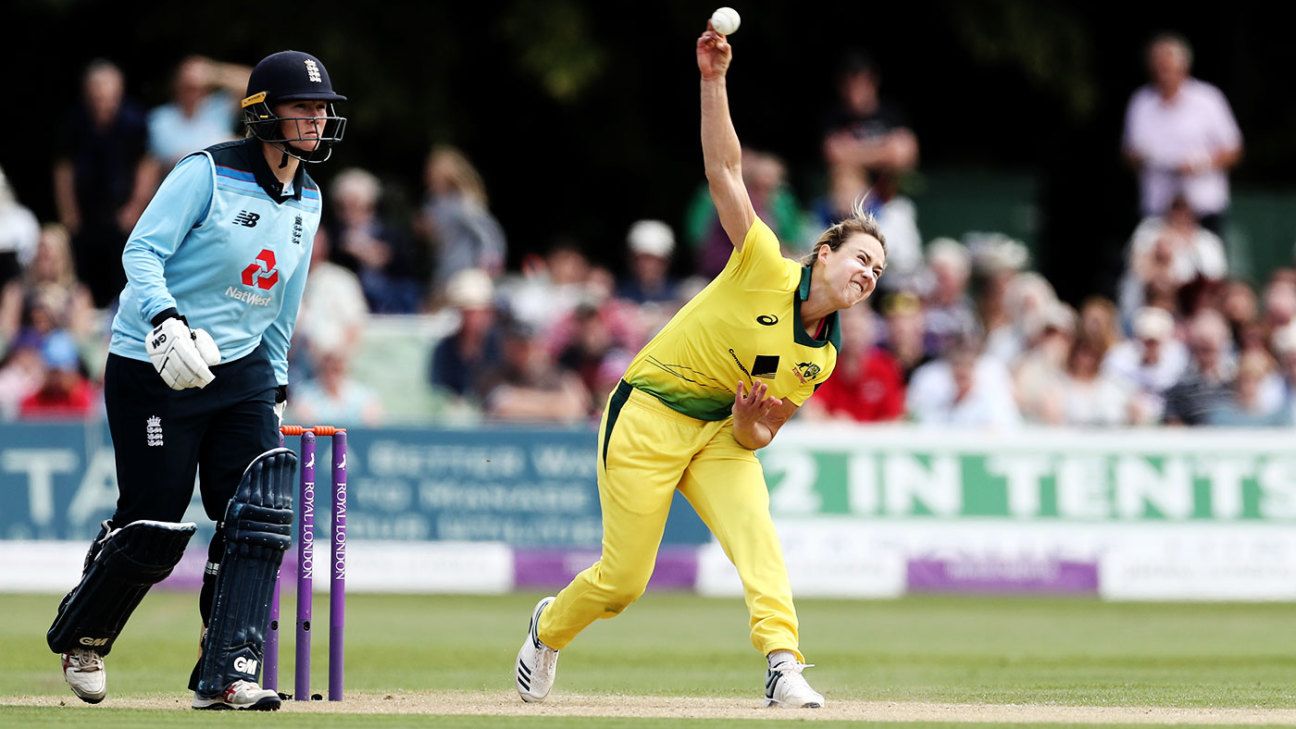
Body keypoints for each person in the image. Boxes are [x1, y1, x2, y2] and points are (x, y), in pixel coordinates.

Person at [514, 22, 887, 710]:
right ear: (825, 256)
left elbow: (761, 435)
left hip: (720, 431)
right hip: (649, 412)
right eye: (862, 258)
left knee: (758, 539)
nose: (869, 274)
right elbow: (725, 172)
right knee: (624, 581)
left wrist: (750, 422)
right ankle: (547, 628)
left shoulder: (822, 355)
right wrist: (713, 81)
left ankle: (784, 664)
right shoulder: (761, 262)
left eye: (879, 270)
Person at [45, 50, 346, 711]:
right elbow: (140, 252)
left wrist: (273, 381)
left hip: (239, 368)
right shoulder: (206, 171)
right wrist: (166, 320)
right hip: (153, 360)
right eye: (303, 108)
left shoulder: (309, 197)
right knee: (154, 520)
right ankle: (85, 635)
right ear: (264, 113)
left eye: (323, 110)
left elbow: (281, 303)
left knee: (257, 513)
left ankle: (227, 669)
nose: (318, 121)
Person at [54, 60, 158, 308]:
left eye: (107, 93)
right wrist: (68, 211)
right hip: (85, 213)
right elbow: (64, 168)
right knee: (85, 274)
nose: (102, 99)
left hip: (122, 212)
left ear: (119, 91)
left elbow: (147, 164)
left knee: (122, 273)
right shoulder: (75, 120)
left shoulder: (135, 119)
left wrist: (135, 207)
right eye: (96, 93)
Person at [1122, 33, 1242, 237]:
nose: (1163, 73)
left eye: (1168, 66)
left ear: (1183, 67)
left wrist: (1200, 163)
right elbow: (1128, 152)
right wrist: (1145, 158)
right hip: (1157, 208)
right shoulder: (1141, 102)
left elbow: (1234, 150)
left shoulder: (1208, 99)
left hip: (1203, 207)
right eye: (1158, 66)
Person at [148, 56, 252, 167]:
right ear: (177, 85)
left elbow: (253, 84)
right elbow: (174, 156)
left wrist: (214, 73)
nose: (193, 93)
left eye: (198, 87)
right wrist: (226, 143)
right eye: (188, 87)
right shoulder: (161, 118)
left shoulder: (217, 108)